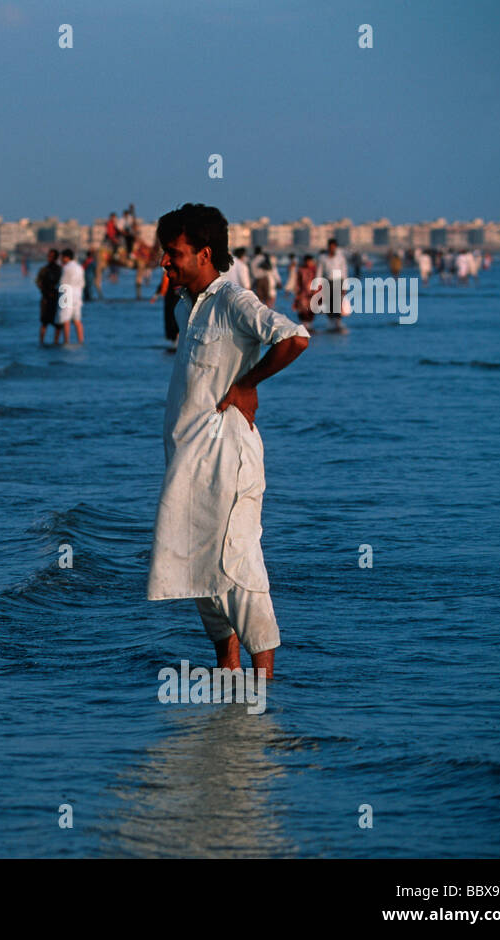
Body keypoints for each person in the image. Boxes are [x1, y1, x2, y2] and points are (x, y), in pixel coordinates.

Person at [147, 203, 309, 682]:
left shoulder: (232, 300)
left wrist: (247, 384)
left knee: (237, 565)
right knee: (201, 570)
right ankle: (228, 675)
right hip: (187, 461)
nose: (165, 262)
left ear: (204, 253)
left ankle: (262, 687)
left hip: (228, 460)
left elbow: (294, 338)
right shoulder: (184, 306)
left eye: (173, 254)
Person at [315, 238, 349, 332]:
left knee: (337, 302)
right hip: (327, 282)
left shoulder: (340, 258)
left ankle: (338, 322)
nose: (332, 249)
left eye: (334, 247)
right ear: (328, 247)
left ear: (336, 247)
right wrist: (317, 285)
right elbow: (319, 271)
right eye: (330, 247)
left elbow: (345, 272)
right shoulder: (322, 257)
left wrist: (345, 286)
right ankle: (330, 321)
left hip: (338, 281)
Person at [58, 248, 85, 344]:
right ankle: (81, 341)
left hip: (67, 294)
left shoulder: (66, 268)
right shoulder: (79, 267)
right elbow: (82, 283)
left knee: (66, 320)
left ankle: (66, 341)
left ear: (66, 258)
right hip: (78, 294)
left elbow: (63, 283)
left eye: (62, 257)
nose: (60, 259)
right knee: (77, 320)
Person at [36, 248, 62, 346]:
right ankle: (41, 342)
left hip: (56, 299)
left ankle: (56, 342)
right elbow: (38, 283)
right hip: (46, 298)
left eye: (51, 256)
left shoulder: (60, 270)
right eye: (48, 256)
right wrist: (45, 292)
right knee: (44, 322)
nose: (49, 258)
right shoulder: (44, 270)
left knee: (58, 324)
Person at [293, 254, 318, 331]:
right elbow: (298, 282)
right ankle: (304, 326)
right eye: (307, 261)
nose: (309, 263)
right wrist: (297, 293)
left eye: (310, 261)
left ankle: (309, 326)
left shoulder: (315, 270)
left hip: (313, 292)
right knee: (302, 309)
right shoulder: (301, 270)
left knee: (311, 310)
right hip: (303, 293)